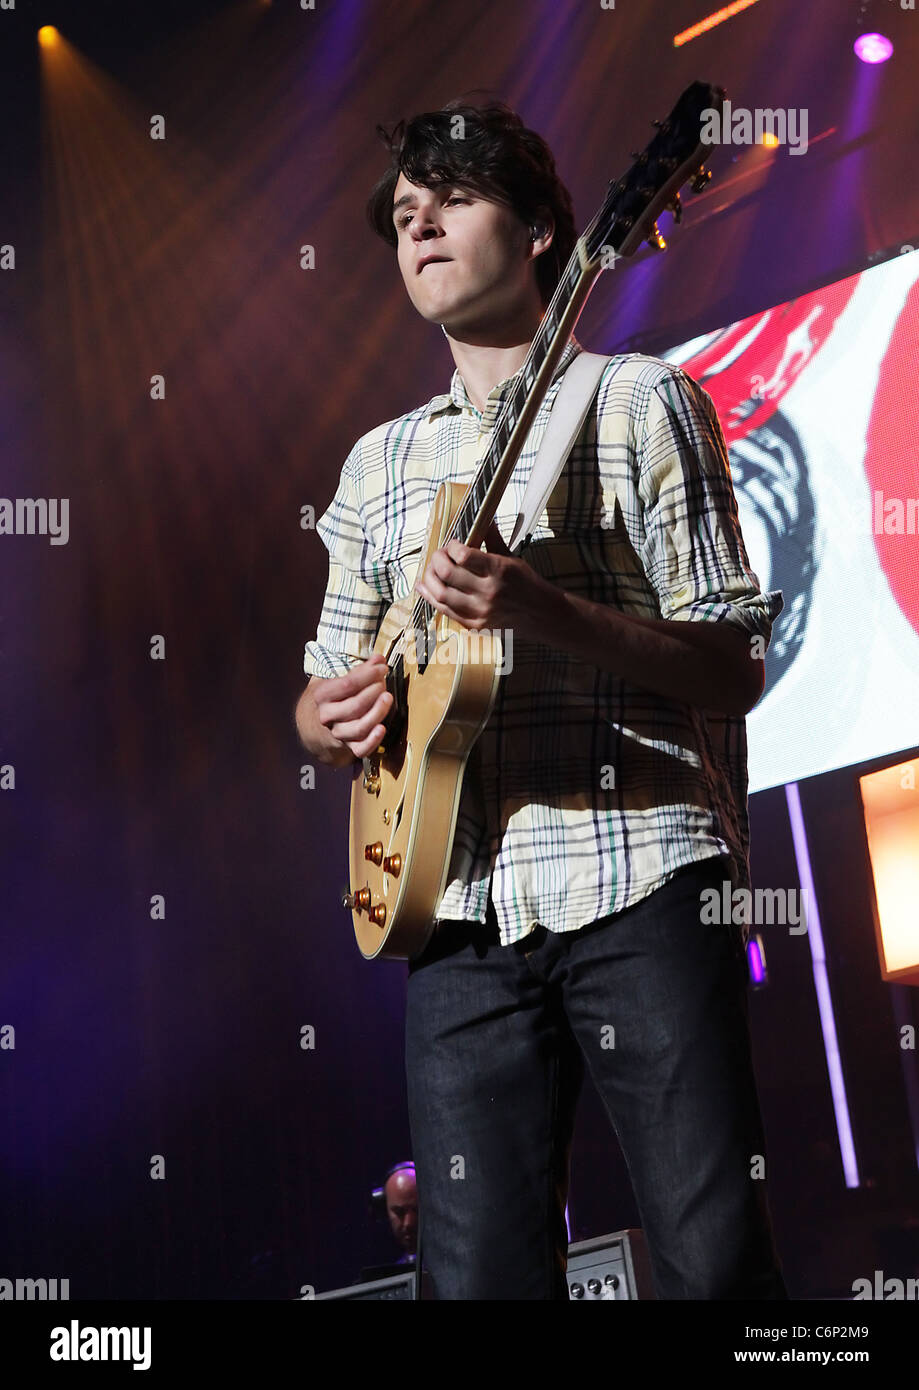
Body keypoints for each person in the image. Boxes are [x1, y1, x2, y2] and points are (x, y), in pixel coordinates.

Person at [294, 98, 788, 1301]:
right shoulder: (375, 463)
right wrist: (340, 718)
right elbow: (316, 697)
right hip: (455, 909)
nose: (419, 227)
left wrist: (547, 611)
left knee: (709, 1255)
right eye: (403, 214)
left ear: (543, 233)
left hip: (640, 877)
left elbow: (734, 666)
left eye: (451, 199)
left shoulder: (638, 401)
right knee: (471, 1284)